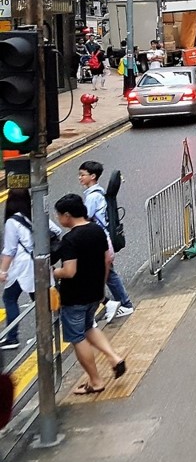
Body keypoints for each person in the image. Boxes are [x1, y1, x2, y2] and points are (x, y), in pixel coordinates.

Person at [51, 193, 126, 394]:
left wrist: (52, 272)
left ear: (67, 215)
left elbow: (69, 271)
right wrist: (101, 288)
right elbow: (106, 261)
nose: (59, 220)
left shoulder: (70, 240)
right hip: (95, 292)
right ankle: (114, 357)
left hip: (74, 296)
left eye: (59, 216)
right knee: (89, 328)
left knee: (77, 337)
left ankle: (95, 381)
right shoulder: (97, 231)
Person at [1, 189, 59, 350]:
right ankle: (49, 331)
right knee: (40, 297)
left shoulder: (13, 222)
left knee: (9, 298)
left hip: (23, 267)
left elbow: (9, 250)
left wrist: (3, 271)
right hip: (41, 263)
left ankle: (13, 338)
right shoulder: (36, 215)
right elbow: (56, 231)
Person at [79, 161, 135, 322]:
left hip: (98, 240)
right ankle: (120, 303)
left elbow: (85, 218)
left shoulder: (93, 197)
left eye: (83, 175)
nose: (80, 178)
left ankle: (120, 304)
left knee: (101, 274)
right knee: (108, 273)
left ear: (93, 176)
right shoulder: (99, 193)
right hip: (102, 239)